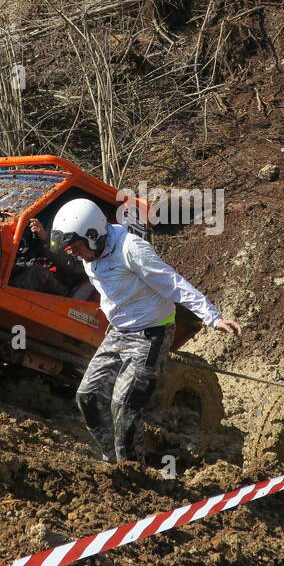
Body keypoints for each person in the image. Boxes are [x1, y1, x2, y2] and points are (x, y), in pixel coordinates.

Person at [50, 198, 241, 463]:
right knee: (88, 396)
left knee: (123, 406)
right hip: (118, 332)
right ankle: (112, 460)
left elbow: (173, 283)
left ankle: (132, 471)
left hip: (151, 333)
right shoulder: (89, 253)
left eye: (77, 247)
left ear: (93, 235)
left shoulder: (131, 249)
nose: (76, 254)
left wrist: (213, 318)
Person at [10, 217, 88, 296]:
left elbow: (70, 265)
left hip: (66, 289)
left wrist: (46, 239)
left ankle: (7, 295)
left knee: (38, 273)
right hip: (50, 272)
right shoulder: (65, 238)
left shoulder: (86, 247)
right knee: (14, 266)